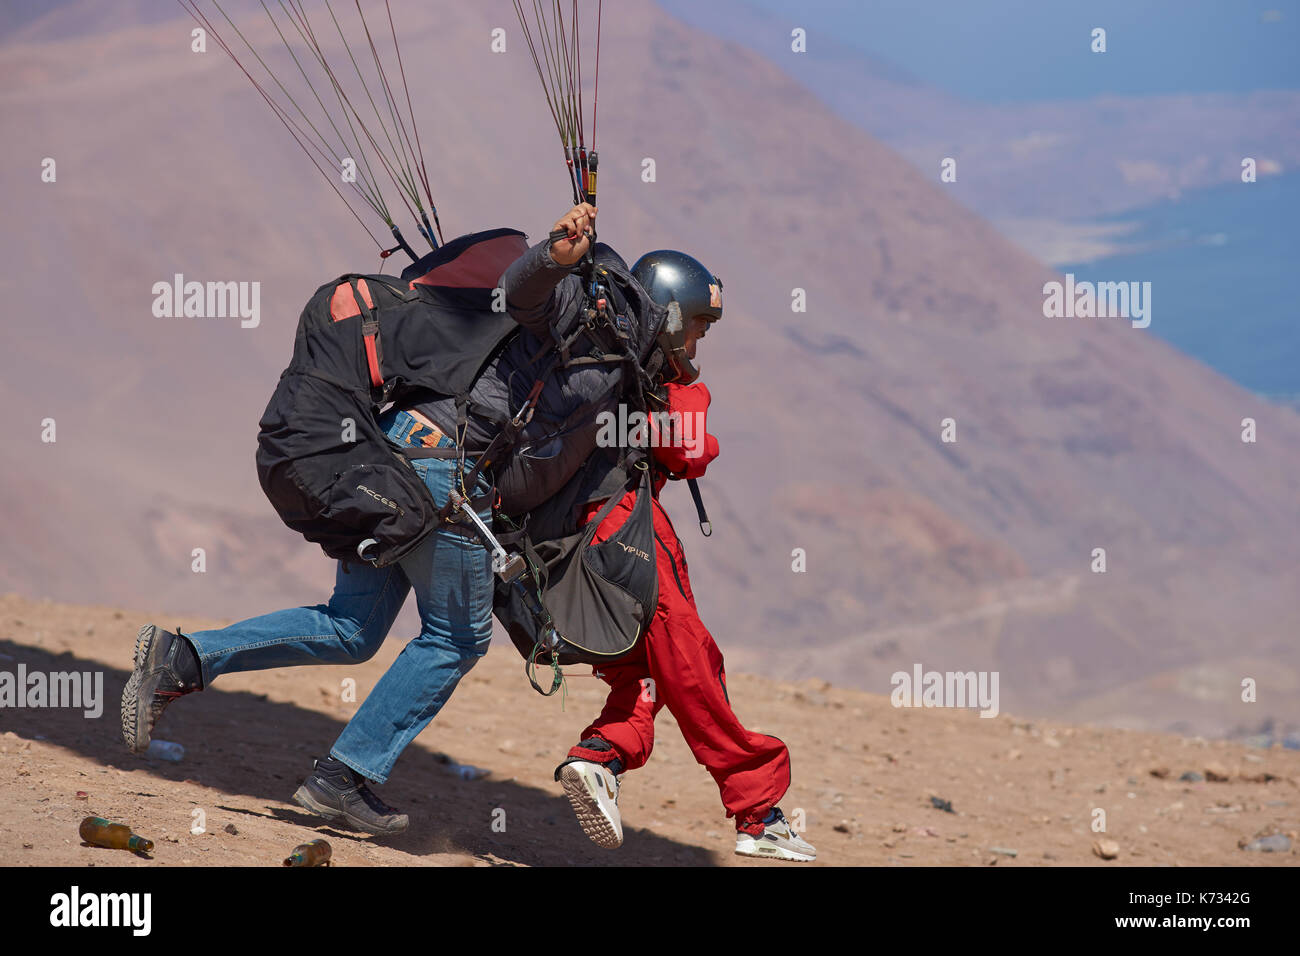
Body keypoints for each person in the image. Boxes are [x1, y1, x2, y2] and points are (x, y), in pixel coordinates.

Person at [119, 204, 671, 836]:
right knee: (457, 639)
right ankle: (343, 778)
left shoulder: (604, 366)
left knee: (353, 627)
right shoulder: (580, 319)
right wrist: (553, 256)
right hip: (444, 471)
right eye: (697, 329)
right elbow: (525, 292)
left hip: (395, 452)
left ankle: (182, 659)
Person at [544, 252, 817, 862]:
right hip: (625, 528)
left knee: (642, 667)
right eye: (698, 325)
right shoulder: (648, 377)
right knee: (691, 659)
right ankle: (759, 812)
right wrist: (691, 396)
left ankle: (599, 759)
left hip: (561, 538)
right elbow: (689, 452)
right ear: (668, 316)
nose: (700, 338)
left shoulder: (592, 363)